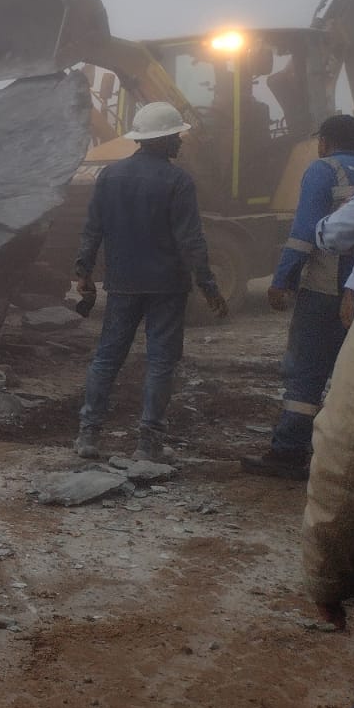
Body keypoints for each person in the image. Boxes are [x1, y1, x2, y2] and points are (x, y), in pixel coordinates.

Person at [72, 101, 227, 462]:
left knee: (107, 359)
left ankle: (88, 437)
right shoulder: (178, 181)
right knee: (160, 363)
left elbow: (92, 228)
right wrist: (209, 286)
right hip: (167, 287)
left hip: (123, 282)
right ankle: (148, 444)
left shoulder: (109, 177)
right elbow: (191, 240)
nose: (180, 142)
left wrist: (83, 272)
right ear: (162, 140)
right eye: (175, 136)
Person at [246, 114, 354, 479]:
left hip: (325, 290)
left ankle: (289, 450)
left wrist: (282, 281)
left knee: (306, 372)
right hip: (353, 293)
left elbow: (303, 233)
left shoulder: (322, 170)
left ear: (325, 141)